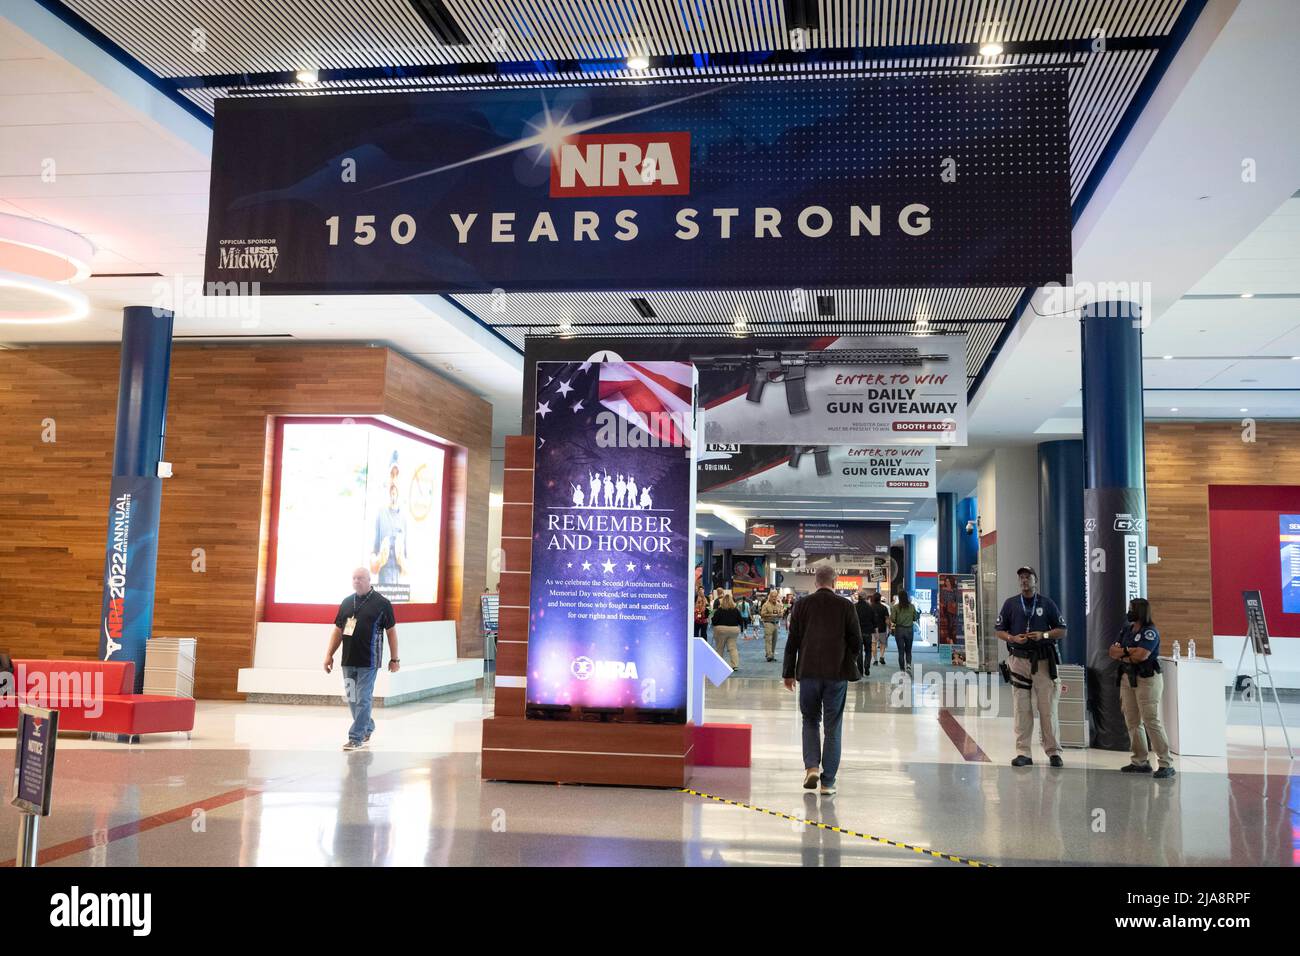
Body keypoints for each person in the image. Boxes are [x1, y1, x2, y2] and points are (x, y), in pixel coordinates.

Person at [783, 564, 862, 796]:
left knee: (809, 721)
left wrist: (788, 672)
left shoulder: (801, 605)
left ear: (815, 583)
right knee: (833, 727)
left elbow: (792, 642)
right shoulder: (846, 606)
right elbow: (856, 640)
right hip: (836, 675)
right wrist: (848, 660)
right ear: (835, 582)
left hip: (808, 672)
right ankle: (828, 782)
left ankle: (811, 768)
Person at [995, 566, 1066, 768]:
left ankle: (1053, 752)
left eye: (1028, 577)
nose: (1025, 581)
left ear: (1036, 580)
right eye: (1022, 578)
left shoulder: (1047, 603)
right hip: (1019, 660)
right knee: (1021, 709)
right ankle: (1023, 752)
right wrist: (1011, 637)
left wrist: (1043, 635)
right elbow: (999, 630)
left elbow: (1062, 630)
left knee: (1047, 708)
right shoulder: (1011, 604)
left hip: (1043, 662)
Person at [324, 567, 399, 751]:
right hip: (348, 660)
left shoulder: (382, 603)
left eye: (360, 578)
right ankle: (368, 726)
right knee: (351, 698)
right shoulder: (347, 602)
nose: (357, 581)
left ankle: (356, 738)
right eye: (354, 578)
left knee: (363, 698)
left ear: (369, 580)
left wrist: (395, 659)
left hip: (369, 661)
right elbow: (338, 630)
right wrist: (329, 654)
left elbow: (391, 632)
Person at [1110, 597, 1175, 779]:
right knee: (1132, 721)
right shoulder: (1126, 629)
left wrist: (1124, 652)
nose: (1128, 611)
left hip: (1148, 680)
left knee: (1150, 720)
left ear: (1140, 611)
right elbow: (1112, 651)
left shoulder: (1150, 632)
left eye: (1131, 608)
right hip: (1127, 678)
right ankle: (1140, 761)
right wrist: (1128, 652)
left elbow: (1142, 656)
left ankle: (1165, 762)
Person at [370, 473, 408, 587]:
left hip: (399, 592)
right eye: (392, 475)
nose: (394, 480)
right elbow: (372, 567)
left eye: (397, 475)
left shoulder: (404, 519)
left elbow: (408, 569)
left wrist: (402, 561)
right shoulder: (379, 514)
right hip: (382, 589)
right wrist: (379, 560)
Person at [710, 592, 743, 671]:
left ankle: (719, 665)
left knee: (720, 648)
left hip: (721, 630)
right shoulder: (736, 610)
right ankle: (735, 665)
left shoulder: (719, 610)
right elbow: (740, 621)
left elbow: (714, 621)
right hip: (733, 631)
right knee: (733, 648)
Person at [890, 589, 918, 675]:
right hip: (909, 630)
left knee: (901, 651)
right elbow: (915, 618)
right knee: (908, 650)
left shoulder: (895, 607)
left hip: (899, 630)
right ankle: (908, 665)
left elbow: (893, 619)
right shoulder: (912, 607)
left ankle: (902, 669)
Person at [759, 591, 785, 662]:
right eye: (772, 596)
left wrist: (780, 614)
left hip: (776, 623)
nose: (774, 598)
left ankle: (772, 655)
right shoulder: (766, 605)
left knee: (774, 640)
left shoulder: (779, 605)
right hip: (768, 623)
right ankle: (768, 655)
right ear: (769, 597)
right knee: (768, 640)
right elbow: (762, 614)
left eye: (775, 596)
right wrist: (770, 615)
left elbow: (781, 613)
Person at [853, 589, 874, 676]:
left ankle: (860, 671)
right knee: (868, 650)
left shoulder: (854, 606)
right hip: (867, 632)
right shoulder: (870, 607)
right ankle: (867, 666)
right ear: (865, 597)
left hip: (857, 632)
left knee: (859, 652)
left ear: (858, 597)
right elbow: (873, 620)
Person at [867, 591, 890, 665]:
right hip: (882, 629)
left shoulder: (870, 607)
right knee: (883, 643)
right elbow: (887, 619)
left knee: (873, 644)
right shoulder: (884, 607)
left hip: (872, 629)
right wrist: (889, 627)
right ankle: (882, 656)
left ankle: (875, 660)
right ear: (880, 599)